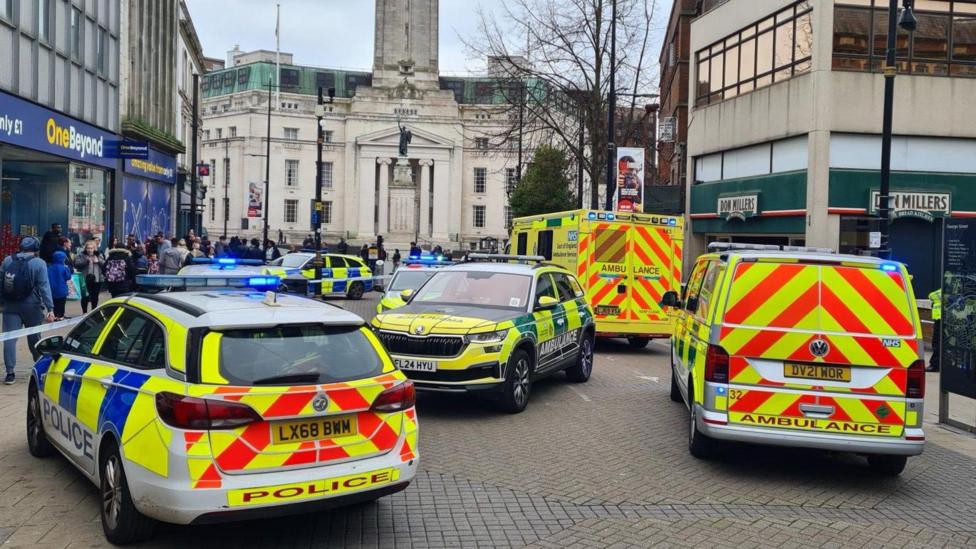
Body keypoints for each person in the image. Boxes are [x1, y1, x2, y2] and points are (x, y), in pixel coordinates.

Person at [1, 237, 55, 385]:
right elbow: (44, 286)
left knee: (9, 339)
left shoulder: (7, 260)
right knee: (35, 338)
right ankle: (39, 367)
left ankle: (10, 373)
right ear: (36, 248)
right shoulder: (39, 263)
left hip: (10, 306)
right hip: (32, 306)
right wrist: (50, 308)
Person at [74, 239, 105, 313]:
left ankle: (93, 312)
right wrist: (86, 261)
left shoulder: (99, 255)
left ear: (94, 248)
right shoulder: (81, 255)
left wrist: (98, 261)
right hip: (85, 279)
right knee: (85, 297)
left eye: (91, 248)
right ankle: (84, 312)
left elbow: (104, 264)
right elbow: (76, 264)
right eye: (88, 248)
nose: (90, 250)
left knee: (95, 297)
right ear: (85, 248)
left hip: (97, 279)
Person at [47, 250, 72, 320]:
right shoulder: (64, 268)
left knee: (54, 303)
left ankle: (54, 315)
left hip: (52, 290)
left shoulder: (49, 268)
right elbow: (68, 277)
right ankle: (61, 316)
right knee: (61, 303)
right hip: (62, 289)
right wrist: (67, 269)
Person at [928, 287, 942, 372]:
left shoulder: (943, 291)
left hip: (940, 320)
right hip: (944, 320)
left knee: (937, 343)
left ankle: (935, 365)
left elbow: (931, 296)